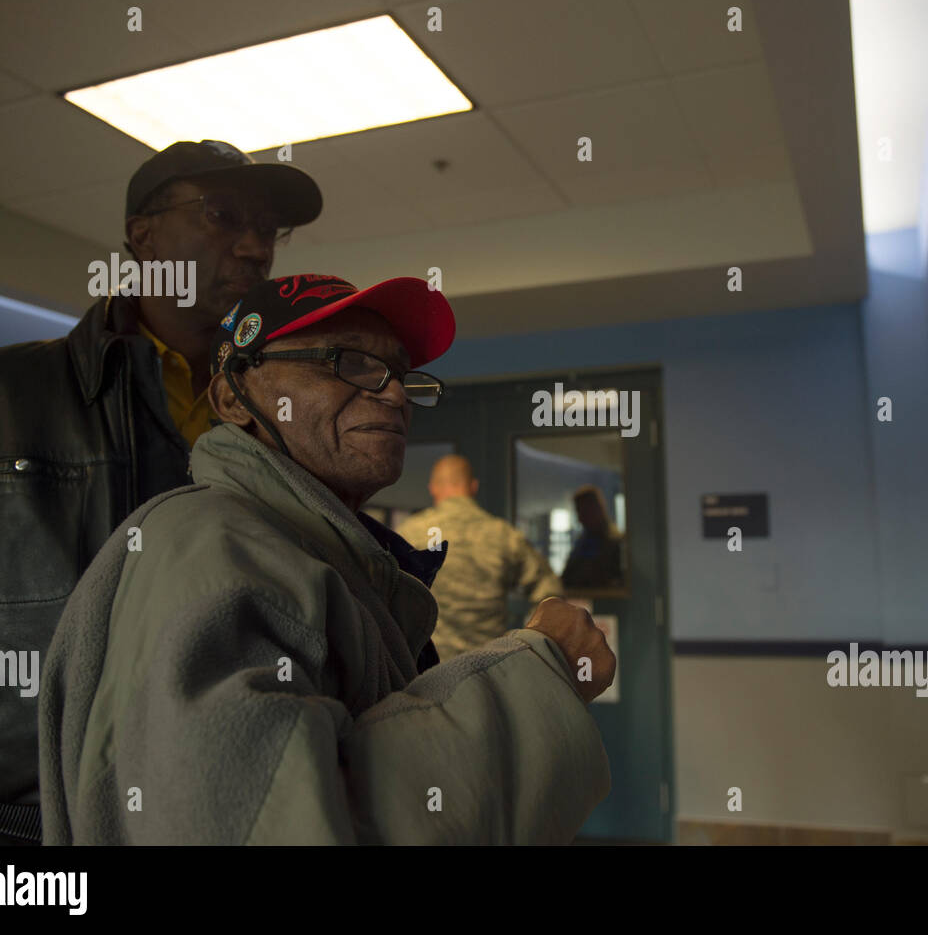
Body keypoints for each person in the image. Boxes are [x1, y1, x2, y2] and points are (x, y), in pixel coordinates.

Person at [38, 274, 614, 844]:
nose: (392, 394)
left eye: (398, 374)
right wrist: (539, 674)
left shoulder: (329, 550)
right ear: (232, 397)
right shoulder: (213, 545)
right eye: (349, 361)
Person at [0, 139, 322, 844]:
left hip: (234, 815)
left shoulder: (284, 423)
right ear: (140, 235)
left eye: (268, 230)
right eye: (223, 214)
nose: (254, 247)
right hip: (24, 836)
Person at [396, 456, 564, 660]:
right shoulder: (503, 534)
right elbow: (549, 590)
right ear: (474, 487)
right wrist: (530, 644)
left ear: (433, 488)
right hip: (489, 667)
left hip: (427, 667)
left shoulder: (410, 533)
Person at [561, 485, 626, 589]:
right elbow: (567, 578)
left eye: (584, 512)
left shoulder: (615, 542)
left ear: (597, 509)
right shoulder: (583, 542)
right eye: (579, 512)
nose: (580, 518)